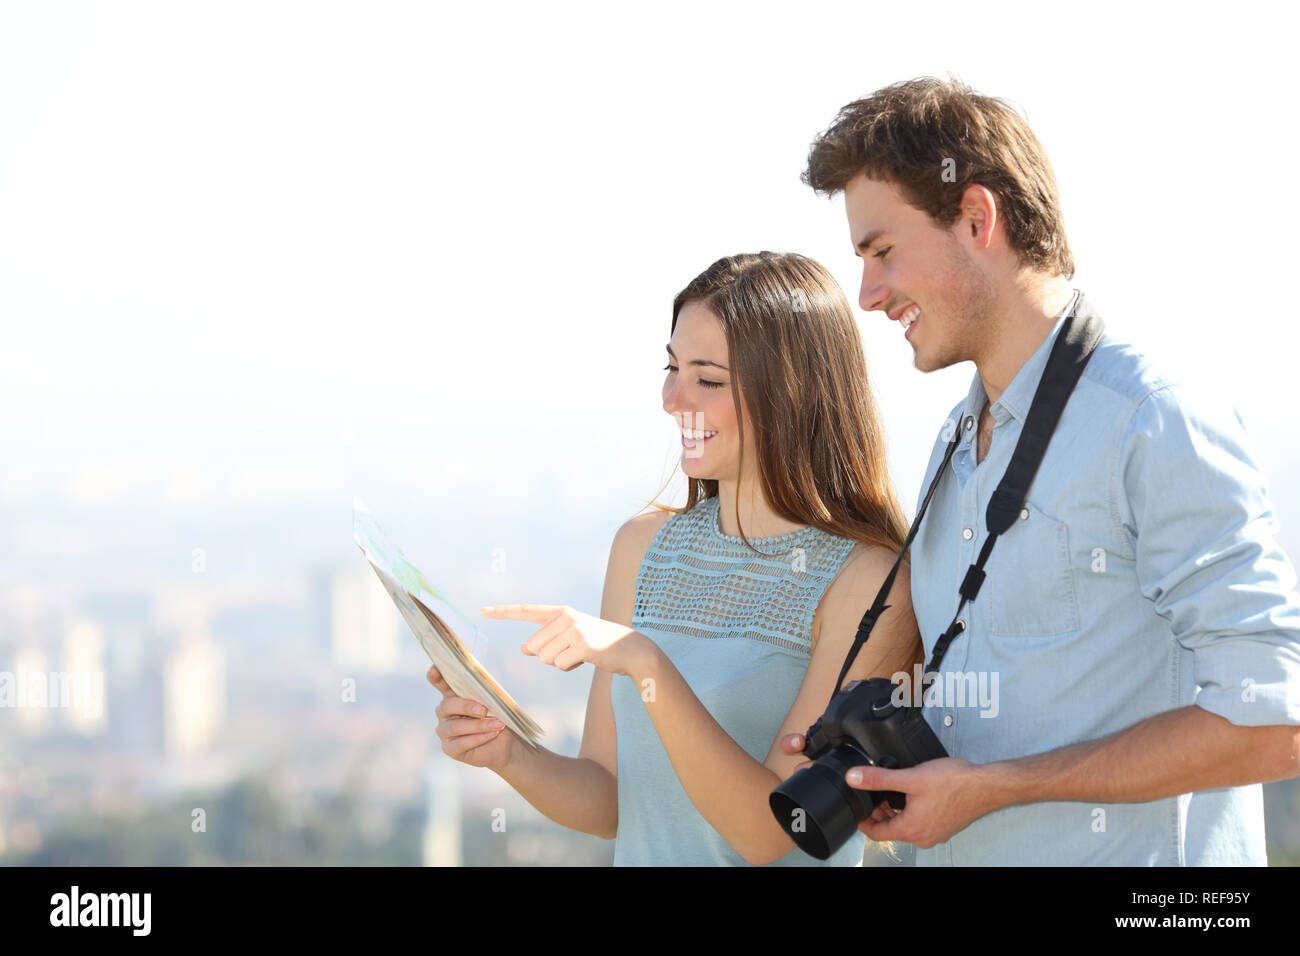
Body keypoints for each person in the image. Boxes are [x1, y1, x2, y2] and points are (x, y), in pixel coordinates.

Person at [781, 76, 1300, 865]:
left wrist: (999, 788)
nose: (866, 294)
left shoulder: (1150, 416)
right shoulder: (956, 440)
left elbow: (1277, 721)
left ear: (976, 217)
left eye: (882, 252)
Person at [426, 251, 921, 865]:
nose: (671, 399)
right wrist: (507, 752)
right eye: (672, 367)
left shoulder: (870, 582)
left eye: (706, 379)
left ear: (797, 392)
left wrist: (646, 663)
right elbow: (609, 800)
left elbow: (774, 830)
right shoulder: (641, 548)